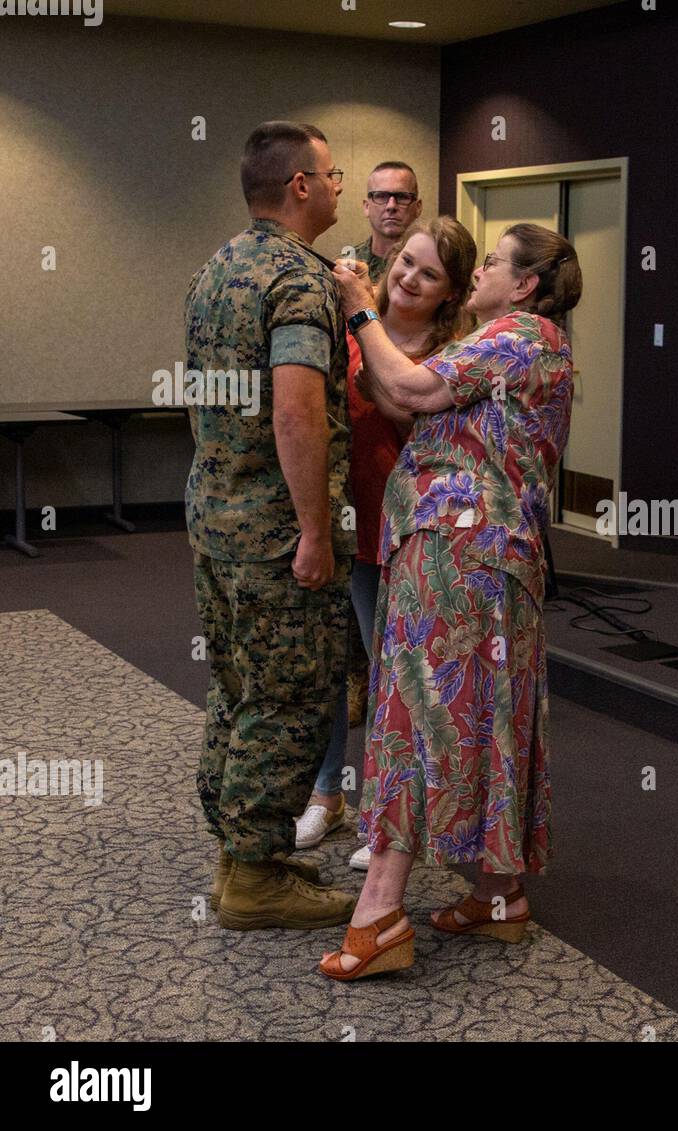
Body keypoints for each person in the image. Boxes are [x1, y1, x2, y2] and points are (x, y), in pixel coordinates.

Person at [317, 223, 582, 979]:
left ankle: (380, 913)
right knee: (487, 713)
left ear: (525, 284)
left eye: (494, 262)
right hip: (491, 558)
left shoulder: (514, 335)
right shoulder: (537, 344)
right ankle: (499, 896)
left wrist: (360, 306)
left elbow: (409, 388)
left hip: (459, 556)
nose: (481, 271)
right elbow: (424, 408)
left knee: (412, 711)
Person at [185, 120, 357, 930]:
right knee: (289, 696)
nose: (338, 186)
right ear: (300, 186)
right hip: (271, 531)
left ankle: (237, 848)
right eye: (331, 174)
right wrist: (315, 532)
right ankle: (254, 879)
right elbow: (297, 410)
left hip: (214, 518)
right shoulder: (298, 278)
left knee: (237, 683)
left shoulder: (217, 267)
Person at [294, 218, 477, 869]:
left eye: (428, 274)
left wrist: (363, 311)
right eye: (405, 262)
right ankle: (325, 795)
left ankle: (392, 816)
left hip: (400, 537)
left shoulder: (448, 351)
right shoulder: (350, 327)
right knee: (323, 666)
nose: (408, 277)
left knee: (393, 682)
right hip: (338, 525)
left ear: (448, 294)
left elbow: (406, 408)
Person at [351, 161, 424, 285]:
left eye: (402, 197)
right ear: (367, 207)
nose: (391, 206)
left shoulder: (433, 264)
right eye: (381, 196)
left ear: (418, 207)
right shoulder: (349, 264)